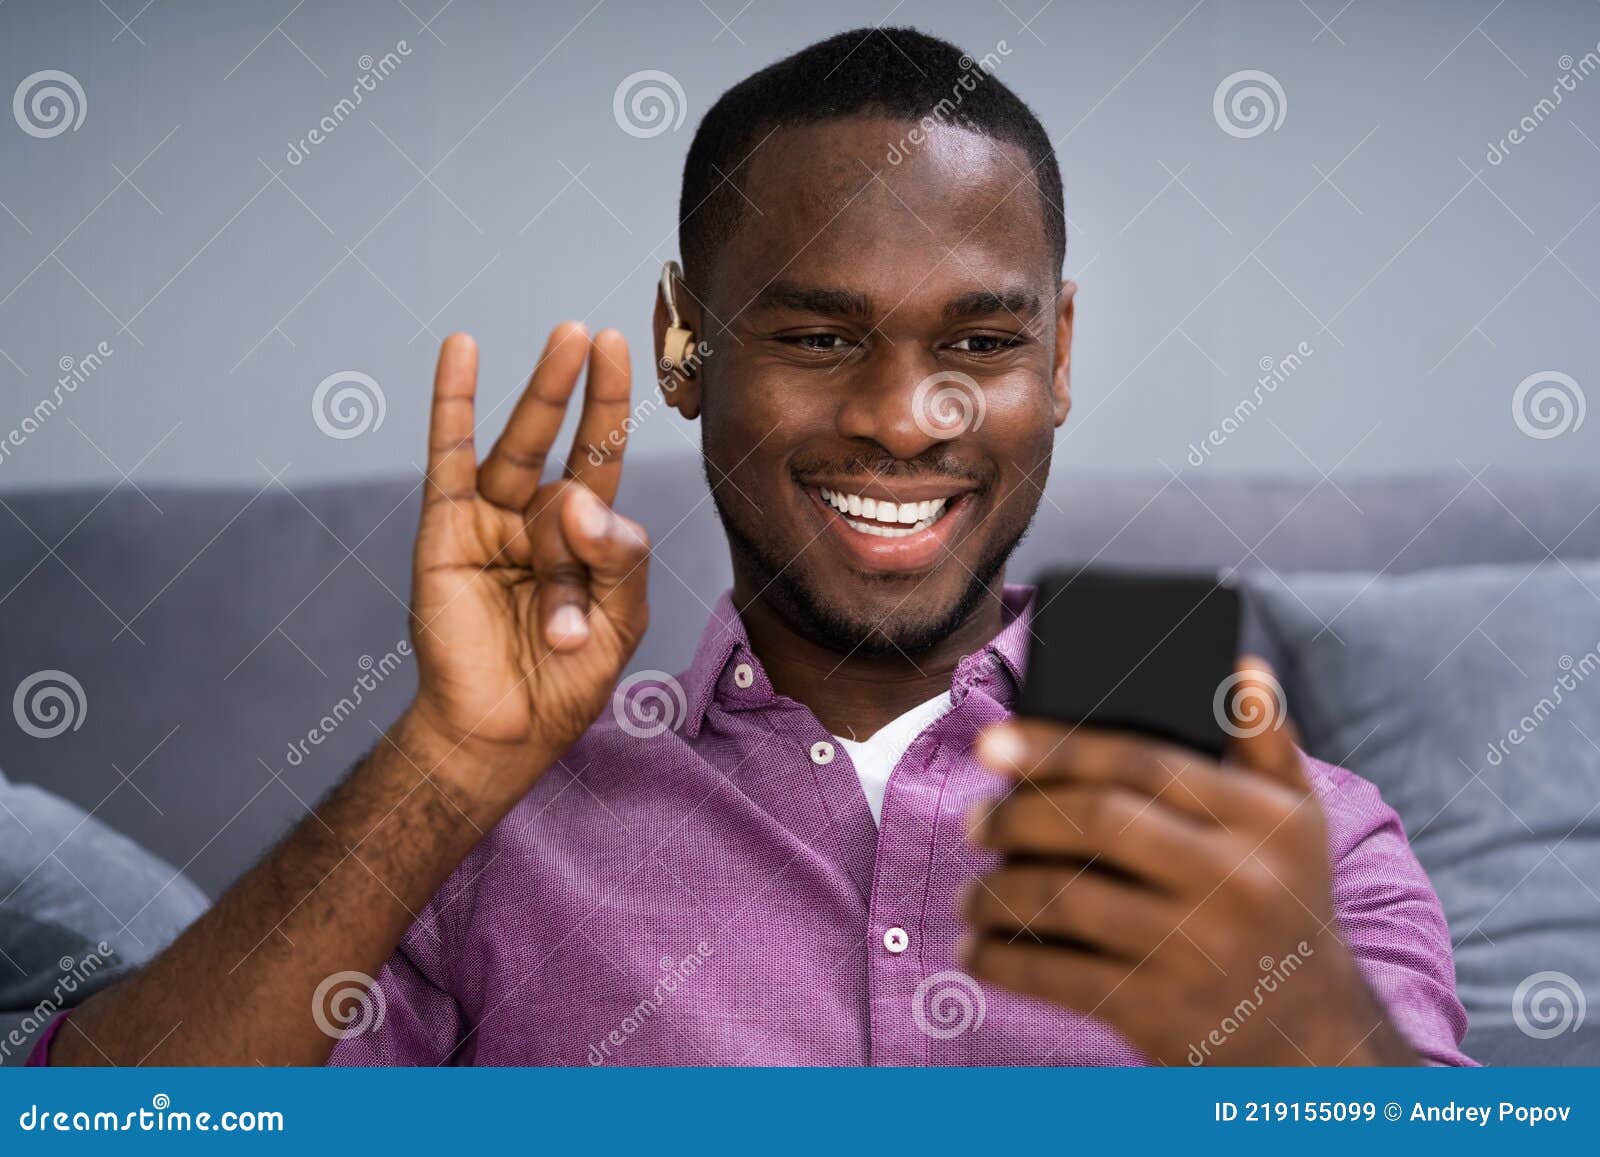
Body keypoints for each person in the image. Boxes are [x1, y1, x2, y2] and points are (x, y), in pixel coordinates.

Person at [38, 27, 1469, 1067]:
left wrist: (1309, 1044)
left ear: (1061, 351)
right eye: (819, 335)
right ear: (685, 343)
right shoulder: (489, 845)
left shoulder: (1302, 847)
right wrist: (451, 759)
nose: (908, 421)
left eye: (981, 340)